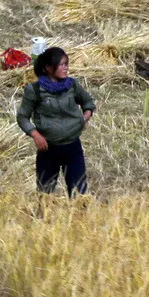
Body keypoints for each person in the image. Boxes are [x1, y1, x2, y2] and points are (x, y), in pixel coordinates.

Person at [16, 47, 96, 196]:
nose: (66, 68)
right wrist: (35, 134)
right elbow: (22, 117)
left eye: (67, 64)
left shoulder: (72, 85)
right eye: (62, 64)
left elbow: (88, 102)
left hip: (73, 147)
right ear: (48, 67)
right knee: (45, 193)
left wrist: (84, 117)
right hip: (48, 149)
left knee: (79, 193)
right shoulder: (34, 90)